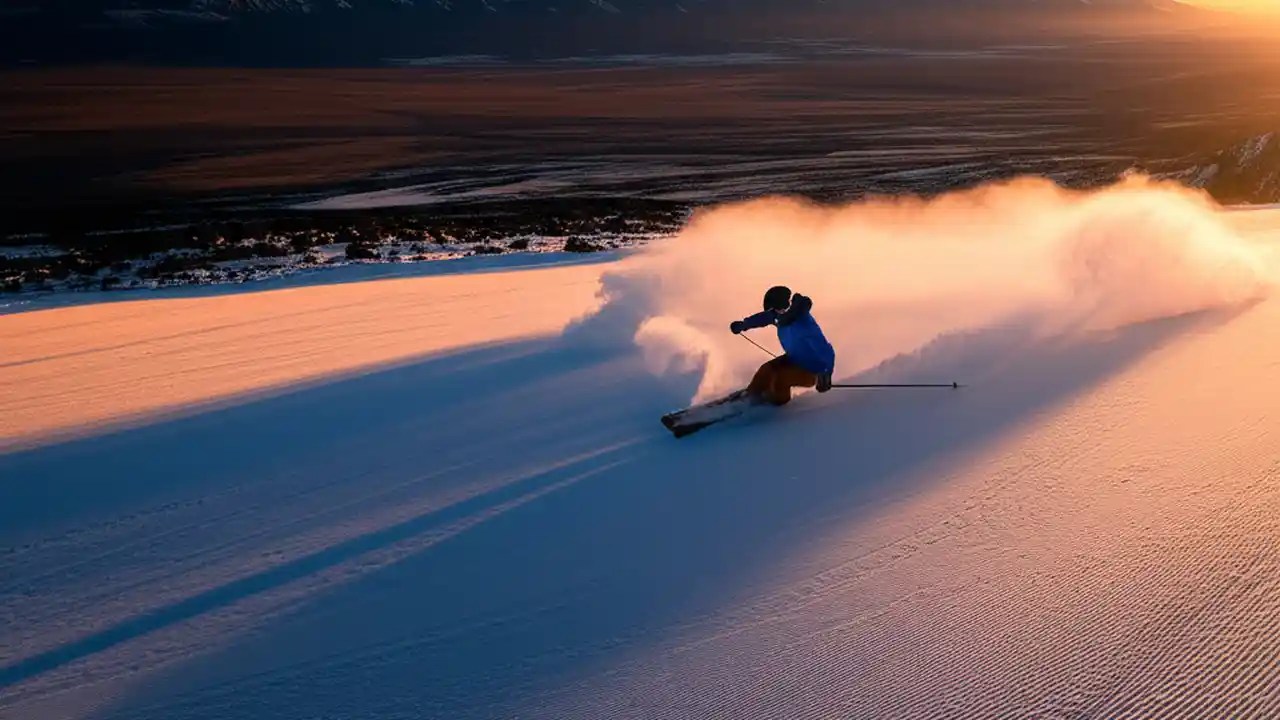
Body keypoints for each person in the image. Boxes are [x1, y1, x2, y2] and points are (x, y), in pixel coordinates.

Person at [730, 286, 836, 406]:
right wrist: (744, 325)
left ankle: (775, 404)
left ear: (785, 305)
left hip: (812, 370)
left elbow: (826, 350)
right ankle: (752, 394)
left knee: (781, 379)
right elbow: (763, 318)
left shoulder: (802, 321)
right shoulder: (779, 317)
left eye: (776, 309)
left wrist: (826, 373)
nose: (774, 314)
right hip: (794, 359)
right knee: (767, 369)